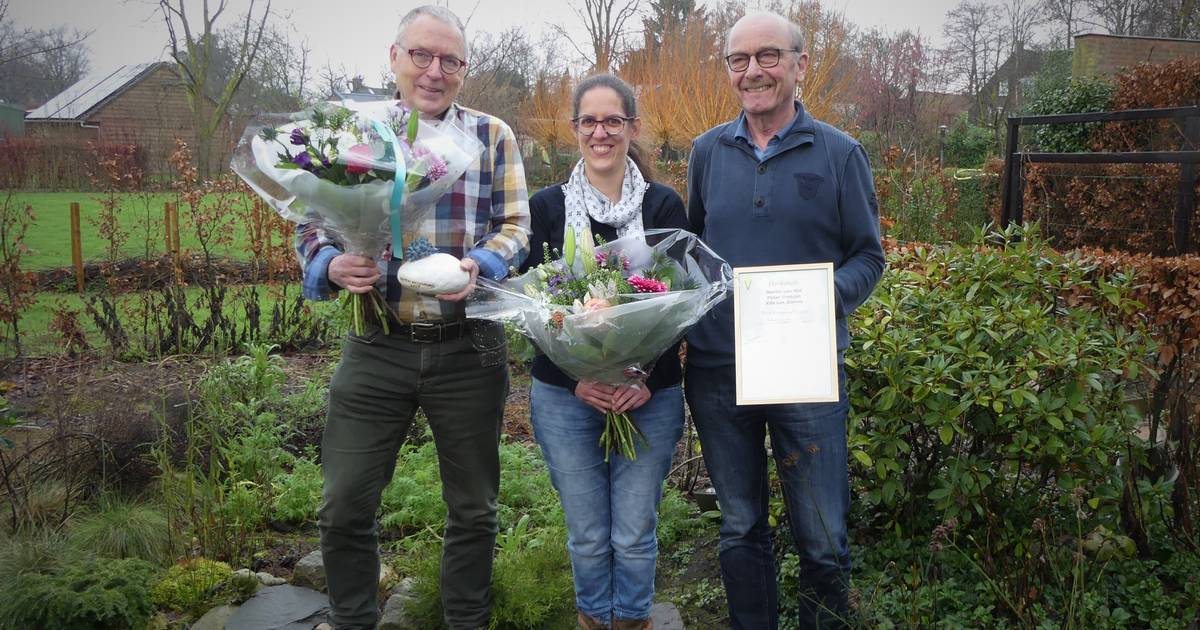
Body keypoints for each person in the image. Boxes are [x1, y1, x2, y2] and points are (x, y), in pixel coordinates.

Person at [295, 6, 530, 629]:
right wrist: (330, 265)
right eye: (422, 55)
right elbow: (311, 220)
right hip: (378, 342)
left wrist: (481, 264)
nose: (435, 71)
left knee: (474, 509)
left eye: (450, 60)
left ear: (464, 69)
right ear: (394, 57)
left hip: (468, 348)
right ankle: (353, 621)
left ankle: (466, 623)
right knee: (344, 504)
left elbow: (516, 228)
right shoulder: (354, 133)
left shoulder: (491, 136)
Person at [684, 11, 885, 630]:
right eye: (739, 60)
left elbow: (869, 256)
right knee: (740, 526)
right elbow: (692, 249)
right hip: (720, 372)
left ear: (800, 64)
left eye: (768, 56)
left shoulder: (839, 153)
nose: (753, 71)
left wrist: (816, 301)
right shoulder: (706, 152)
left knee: (822, 536)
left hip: (805, 373)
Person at [521, 73, 687, 630]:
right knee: (589, 534)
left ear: (632, 127)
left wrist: (639, 375)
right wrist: (577, 379)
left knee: (634, 532)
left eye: (612, 120)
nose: (600, 132)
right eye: (589, 121)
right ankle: (593, 618)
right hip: (568, 396)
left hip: (649, 395)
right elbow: (529, 309)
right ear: (574, 130)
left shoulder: (664, 204)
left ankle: (633, 620)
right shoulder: (546, 208)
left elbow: (683, 302)